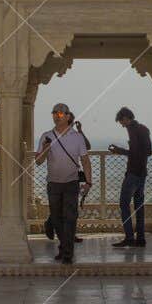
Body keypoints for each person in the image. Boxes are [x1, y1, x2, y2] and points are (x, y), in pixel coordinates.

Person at [34, 102, 91, 264]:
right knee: (57, 219)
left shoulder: (77, 137)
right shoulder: (47, 136)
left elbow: (85, 161)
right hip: (53, 183)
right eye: (54, 113)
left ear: (67, 117)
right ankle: (65, 247)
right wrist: (45, 148)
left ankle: (67, 252)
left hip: (71, 182)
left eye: (59, 114)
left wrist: (88, 182)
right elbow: (38, 161)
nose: (56, 116)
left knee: (70, 217)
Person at [108, 107, 152, 247]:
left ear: (126, 118)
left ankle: (129, 237)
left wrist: (119, 151)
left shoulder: (133, 130)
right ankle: (140, 238)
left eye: (122, 121)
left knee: (124, 204)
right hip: (142, 173)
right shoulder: (144, 129)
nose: (122, 125)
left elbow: (135, 153)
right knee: (139, 206)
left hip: (133, 173)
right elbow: (147, 152)